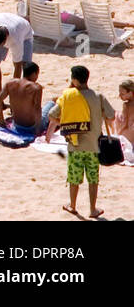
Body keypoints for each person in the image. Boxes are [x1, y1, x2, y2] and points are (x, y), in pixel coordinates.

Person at [44, 65, 116, 220]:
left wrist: (65, 123)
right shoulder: (98, 96)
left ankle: (73, 205)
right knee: (93, 179)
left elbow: (51, 115)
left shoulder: (69, 97)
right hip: (94, 146)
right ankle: (93, 209)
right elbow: (111, 117)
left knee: (74, 178)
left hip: (75, 145)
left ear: (74, 79)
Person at [0, 11, 35, 97]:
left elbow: (17, 67)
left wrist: (12, 96)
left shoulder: (16, 40)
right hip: (6, 19)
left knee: (26, 66)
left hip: (25, 34)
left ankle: (18, 97)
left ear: (4, 41)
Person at [0, 61, 49, 137]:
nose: (37, 77)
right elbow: (37, 109)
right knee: (52, 102)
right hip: (31, 127)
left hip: (16, 125)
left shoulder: (10, 83)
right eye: (37, 74)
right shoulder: (36, 88)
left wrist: (2, 122)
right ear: (34, 73)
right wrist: (38, 130)